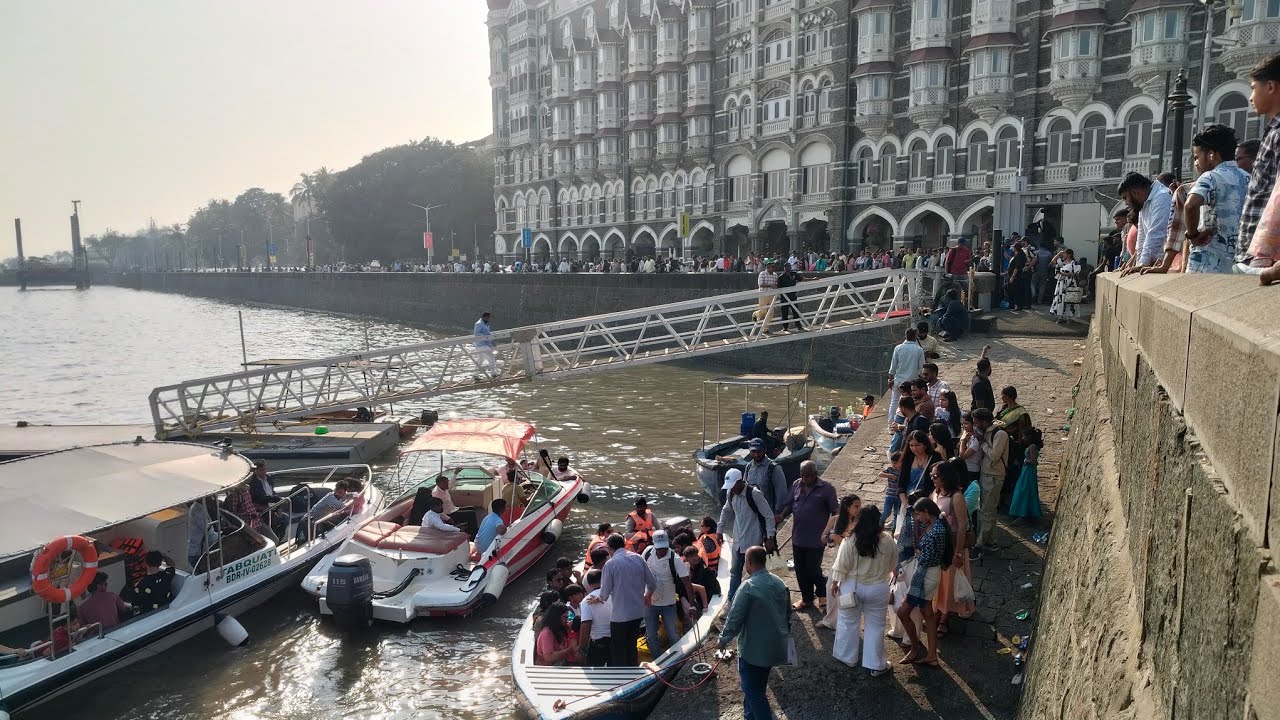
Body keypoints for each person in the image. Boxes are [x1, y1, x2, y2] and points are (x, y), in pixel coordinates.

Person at [717, 546, 791, 720]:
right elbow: (788, 615)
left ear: (748, 562)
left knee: (754, 693)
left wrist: (723, 640)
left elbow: (734, 619)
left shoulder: (748, 587)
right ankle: (749, 716)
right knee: (756, 689)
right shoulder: (780, 583)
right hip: (775, 647)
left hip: (753, 651)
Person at [830, 506, 897, 675]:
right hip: (878, 588)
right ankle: (876, 665)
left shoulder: (850, 539)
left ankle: (847, 657)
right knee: (875, 626)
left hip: (851, 586)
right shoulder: (888, 540)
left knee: (847, 621)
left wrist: (835, 583)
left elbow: (841, 565)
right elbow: (892, 565)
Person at [1181, 124, 1250, 274]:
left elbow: (1190, 206)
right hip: (1240, 263)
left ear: (1211, 155)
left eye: (1197, 157)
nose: (1196, 163)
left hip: (1208, 262)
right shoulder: (1248, 177)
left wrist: (1193, 235)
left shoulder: (1211, 176)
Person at [776, 460, 838, 611]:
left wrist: (831, 532)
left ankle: (822, 593)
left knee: (813, 569)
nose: (806, 479)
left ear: (815, 474)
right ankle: (807, 598)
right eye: (803, 476)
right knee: (800, 570)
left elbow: (836, 511)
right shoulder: (797, 484)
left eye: (809, 476)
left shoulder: (826, 489)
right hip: (798, 537)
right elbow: (790, 504)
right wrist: (782, 516)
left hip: (816, 539)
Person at [897, 498, 948, 667]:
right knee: (928, 614)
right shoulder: (936, 526)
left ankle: (915, 648)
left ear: (926, 512)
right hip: (929, 573)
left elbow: (924, 558)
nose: (917, 518)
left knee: (904, 612)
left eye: (919, 514)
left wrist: (918, 554)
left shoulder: (935, 531)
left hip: (925, 575)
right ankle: (931, 654)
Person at [593, 533, 657, 667]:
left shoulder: (610, 564)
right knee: (631, 646)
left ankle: (622, 679)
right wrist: (648, 594)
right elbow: (652, 583)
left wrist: (597, 599)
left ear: (610, 549)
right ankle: (634, 672)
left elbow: (604, 594)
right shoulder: (638, 558)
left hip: (620, 616)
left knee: (618, 650)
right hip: (638, 613)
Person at [719, 468, 778, 601]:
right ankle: (732, 600)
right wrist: (719, 530)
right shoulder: (731, 493)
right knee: (735, 572)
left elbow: (768, 516)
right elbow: (726, 510)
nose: (732, 488)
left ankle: (757, 599)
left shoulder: (754, 494)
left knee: (755, 573)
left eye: (733, 485)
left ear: (740, 482)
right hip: (738, 540)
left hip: (753, 540)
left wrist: (770, 537)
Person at [929, 458, 974, 633]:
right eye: (932, 476)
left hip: (952, 544)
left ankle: (945, 616)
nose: (933, 479)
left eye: (936, 476)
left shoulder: (956, 496)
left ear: (945, 477)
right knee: (937, 580)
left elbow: (962, 525)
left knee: (949, 581)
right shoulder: (935, 493)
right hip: (937, 544)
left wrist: (958, 552)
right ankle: (937, 608)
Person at [641, 530, 693, 657]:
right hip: (650, 603)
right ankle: (657, 659)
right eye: (659, 548)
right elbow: (640, 573)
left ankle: (676, 658)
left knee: (673, 634)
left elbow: (687, 583)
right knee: (651, 635)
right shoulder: (647, 553)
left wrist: (692, 605)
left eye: (664, 547)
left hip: (668, 604)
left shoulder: (674, 559)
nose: (661, 551)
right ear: (653, 544)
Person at [817, 494, 861, 629]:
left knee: (847, 591)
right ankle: (830, 620)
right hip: (837, 559)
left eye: (859, 506)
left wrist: (839, 539)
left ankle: (844, 622)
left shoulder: (859, 522)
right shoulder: (835, 519)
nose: (858, 509)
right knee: (830, 588)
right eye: (856, 506)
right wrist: (830, 537)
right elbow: (822, 537)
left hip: (853, 560)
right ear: (847, 507)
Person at [1117, 172, 1174, 274]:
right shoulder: (1144, 204)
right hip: (1157, 263)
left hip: (1170, 264)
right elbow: (1142, 237)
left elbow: (1156, 232)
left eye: (1125, 198)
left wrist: (1143, 263)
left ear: (1135, 192)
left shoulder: (1162, 197)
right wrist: (1139, 263)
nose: (1126, 203)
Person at [973, 408, 1010, 551]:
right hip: (986, 473)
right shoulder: (987, 432)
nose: (975, 425)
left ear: (984, 422)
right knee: (986, 509)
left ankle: (980, 544)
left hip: (994, 476)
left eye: (977, 422)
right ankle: (991, 541)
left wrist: (982, 443)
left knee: (988, 510)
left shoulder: (1000, 434)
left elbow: (995, 455)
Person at [886, 327, 926, 426]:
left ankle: (891, 424)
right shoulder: (918, 350)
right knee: (910, 403)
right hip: (912, 382)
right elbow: (921, 368)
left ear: (905, 336)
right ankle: (906, 423)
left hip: (899, 380)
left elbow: (893, 366)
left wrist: (890, 379)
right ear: (915, 336)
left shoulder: (898, 348)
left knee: (894, 402)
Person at [1009, 427, 1044, 523]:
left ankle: (1023, 514)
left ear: (1029, 436)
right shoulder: (1032, 446)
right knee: (1025, 489)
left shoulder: (1032, 446)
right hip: (1027, 470)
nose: (1023, 438)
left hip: (1028, 470)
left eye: (1024, 436)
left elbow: (1033, 461)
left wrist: (1025, 460)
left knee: (1024, 490)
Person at [578, 569, 612, 666]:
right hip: (617, 641)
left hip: (599, 645)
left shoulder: (586, 601)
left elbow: (585, 627)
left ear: (589, 584)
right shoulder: (614, 594)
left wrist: (581, 648)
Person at [744, 439, 788, 511]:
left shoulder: (774, 468)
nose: (756, 455)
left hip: (768, 512)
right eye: (753, 452)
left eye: (759, 452)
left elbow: (781, 493)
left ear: (764, 450)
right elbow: (745, 489)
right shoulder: (748, 467)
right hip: (752, 512)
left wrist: (777, 513)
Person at [682, 545, 720, 612]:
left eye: (695, 555)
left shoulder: (704, 570)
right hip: (700, 594)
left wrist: (705, 606)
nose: (695, 558)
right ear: (686, 559)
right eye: (691, 556)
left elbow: (703, 588)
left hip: (710, 595)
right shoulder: (689, 567)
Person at [186, 497, 220, 568]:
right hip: (198, 554)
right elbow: (209, 531)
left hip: (200, 552)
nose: (212, 498)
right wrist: (222, 537)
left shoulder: (201, 507)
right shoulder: (198, 510)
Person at [1049, 249, 1081, 323]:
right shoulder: (1063, 262)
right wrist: (1059, 254)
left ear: (1069, 255)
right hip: (1061, 282)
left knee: (1070, 299)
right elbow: (1053, 261)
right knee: (1060, 299)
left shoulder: (1074, 263)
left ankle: (1068, 318)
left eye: (1065, 253)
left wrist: (1063, 274)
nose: (1063, 255)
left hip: (1070, 282)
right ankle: (1060, 316)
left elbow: (1075, 274)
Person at [754, 261, 779, 332]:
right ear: (768, 267)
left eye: (774, 267)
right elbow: (761, 284)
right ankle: (755, 314)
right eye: (772, 267)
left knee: (771, 312)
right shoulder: (762, 274)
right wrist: (771, 285)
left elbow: (777, 284)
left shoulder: (775, 275)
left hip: (772, 295)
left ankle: (766, 328)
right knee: (763, 311)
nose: (774, 268)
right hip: (763, 294)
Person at [777, 261, 801, 331]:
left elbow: (802, 279)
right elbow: (778, 287)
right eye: (787, 266)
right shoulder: (781, 277)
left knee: (795, 311)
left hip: (792, 296)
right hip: (784, 297)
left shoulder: (794, 274)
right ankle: (785, 327)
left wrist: (813, 279)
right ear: (784, 268)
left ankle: (799, 326)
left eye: (789, 266)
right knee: (784, 313)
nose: (788, 268)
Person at [474, 311, 499, 378]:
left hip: (484, 345)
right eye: (488, 318)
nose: (489, 320)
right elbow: (476, 334)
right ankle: (494, 373)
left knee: (480, 360)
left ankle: (475, 374)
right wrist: (486, 337)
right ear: (484, 317)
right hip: (482, 345)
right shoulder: (478, 324)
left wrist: (492, 342)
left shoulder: (484, 324)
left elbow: (488, 334)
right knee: (491, 357)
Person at [1006, 241, 1029, 310]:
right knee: (1011, 290)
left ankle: (1019, 305)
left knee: (1016, 291)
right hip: (1012, 274)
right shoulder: (1016, 255)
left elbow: (1017, 267)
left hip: (1016, 276)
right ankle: (1012, 304)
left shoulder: (1019, 256)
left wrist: (1013, 276)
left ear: (1016, 248)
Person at [971, 346, 995, 412]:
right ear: (988, 369)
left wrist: (984, 351)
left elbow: (980, 362)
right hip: (983, 417)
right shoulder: (979, 384)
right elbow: (980, 407)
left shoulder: (978, 375)